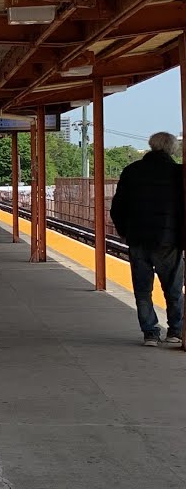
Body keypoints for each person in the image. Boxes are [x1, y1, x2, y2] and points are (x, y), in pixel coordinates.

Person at [109, 131, 185, 346]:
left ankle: (150, 333)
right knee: (173, 289)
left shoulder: (132, 171)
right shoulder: (178, 173)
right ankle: (175, 331)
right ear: (172, 148)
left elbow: (117, 208)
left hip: (138, 238)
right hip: (168, 240)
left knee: (143, 289)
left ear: (151, 146)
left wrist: (127, 231)